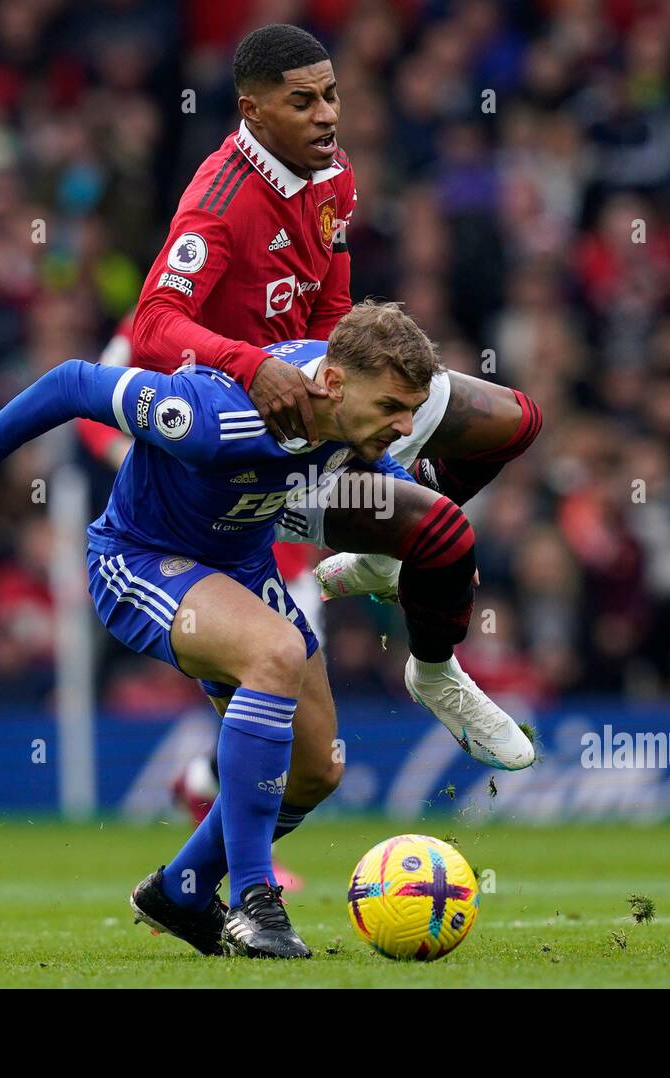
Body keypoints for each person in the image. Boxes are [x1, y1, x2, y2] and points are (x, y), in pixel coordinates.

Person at [0, 301, 532, 958]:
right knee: (276, 652)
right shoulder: (213, 417)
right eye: (391, 409)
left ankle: (181, 890)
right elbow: (72, 381)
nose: (406, 425)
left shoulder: (347, 418)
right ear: (334, 384)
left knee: (317, 770)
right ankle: (254, 900)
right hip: (142, 560)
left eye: (410, 410)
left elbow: (375, 480)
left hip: (239, 563)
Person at [79, 23, 543, 711]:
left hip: (327, 404)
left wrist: (346, 390)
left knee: (516, 421)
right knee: (295, 705)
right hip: (244, 457)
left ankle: (391, 563)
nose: (327, 114)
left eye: (331, 96)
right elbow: (145, 335)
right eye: (304, 102)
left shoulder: (335, 177)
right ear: (254, 111)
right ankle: (418, 665)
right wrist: (248, 373)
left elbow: (332, 307)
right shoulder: (216, 208)